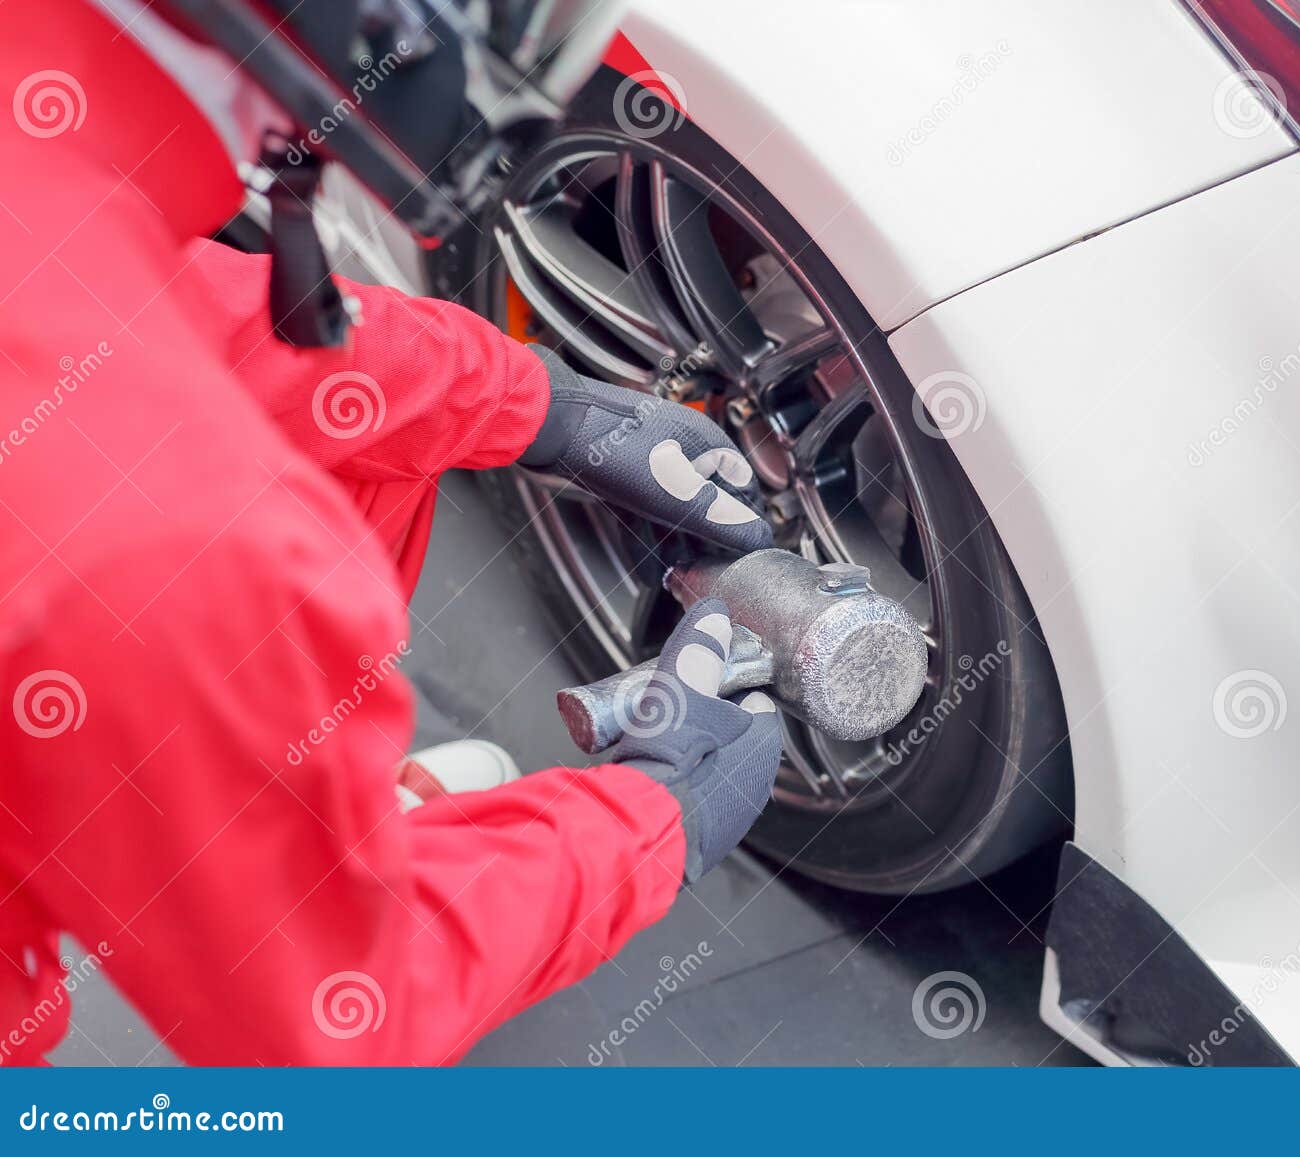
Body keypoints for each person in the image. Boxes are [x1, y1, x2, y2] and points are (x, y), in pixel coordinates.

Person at [0, 0, 781, 1065]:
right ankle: (282, 838)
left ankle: (277, 805)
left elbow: (138, 310)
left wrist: (529, 403)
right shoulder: (159, 548)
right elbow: (341, 1012)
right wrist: (648, 815)